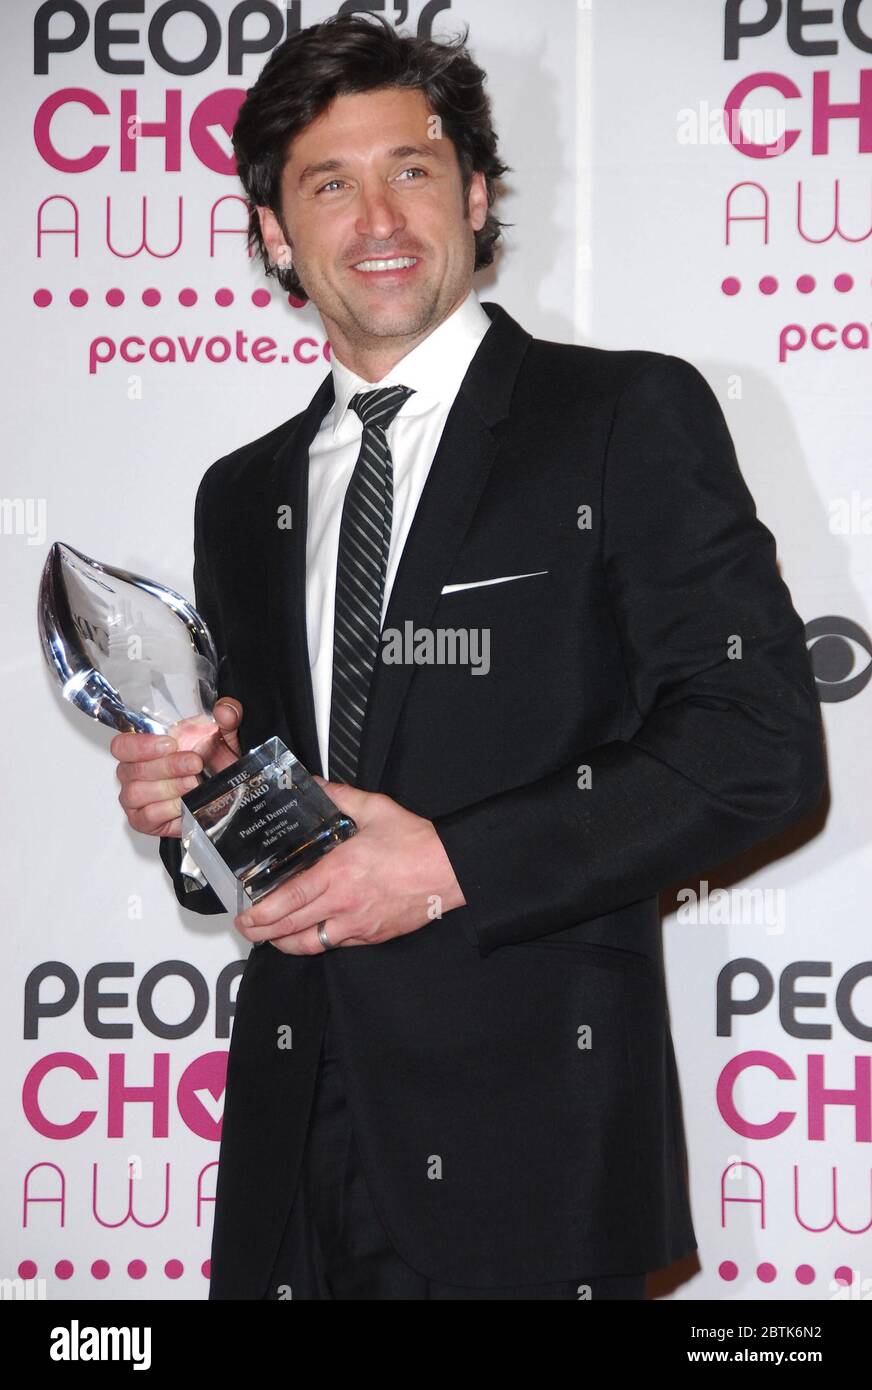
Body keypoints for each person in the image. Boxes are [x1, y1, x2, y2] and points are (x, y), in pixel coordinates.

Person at [110, 13, 825, 1301]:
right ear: (275, 230)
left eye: (414, 169)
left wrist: (446, 864)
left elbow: (758, 745)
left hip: (530, 1150)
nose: (377, 217)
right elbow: (258, 859)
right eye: (329, 183)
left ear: (478, 194)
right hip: (289, 1149)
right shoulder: (241, 493)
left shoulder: (623, 416)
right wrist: (199, 805)